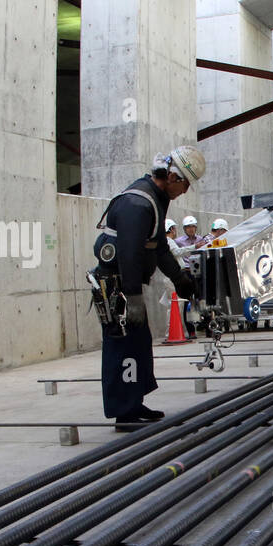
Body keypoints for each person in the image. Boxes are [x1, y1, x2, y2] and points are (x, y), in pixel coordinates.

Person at [90, 144, 204, 431]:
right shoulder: (139, 203)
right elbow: (128, 253)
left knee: (138, 344)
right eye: (186, 184)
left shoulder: (155, 197)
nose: (185, 191)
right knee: (124, 345)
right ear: (173, 177)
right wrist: (134, 298)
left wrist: (180, 279)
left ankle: (134, 403)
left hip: (126, 284)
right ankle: (124, 413)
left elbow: (159, 247)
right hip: (118, 287)